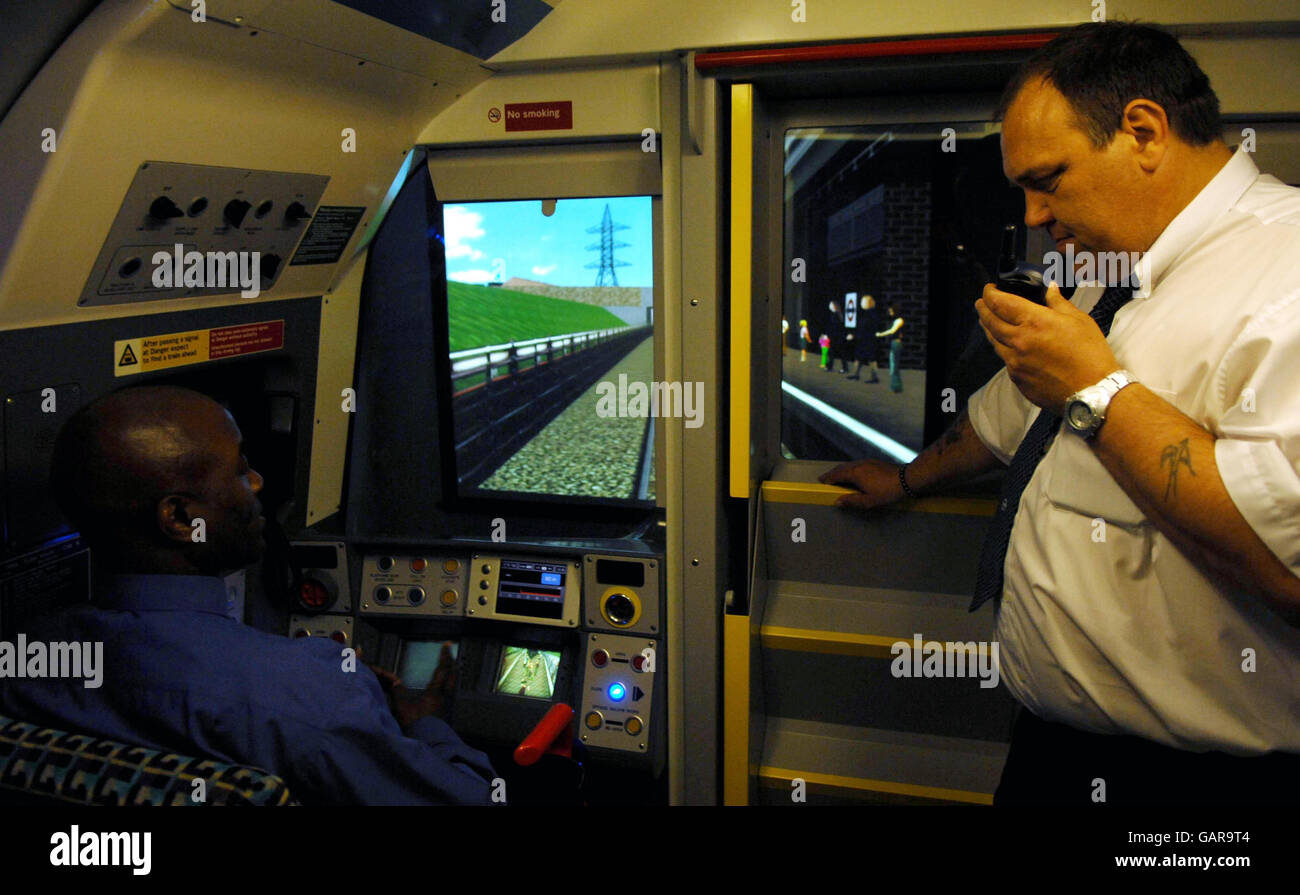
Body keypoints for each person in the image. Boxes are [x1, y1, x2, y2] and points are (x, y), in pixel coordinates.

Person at [821, 22, 1300, 804]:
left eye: (1047, 178)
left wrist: (1097, 389)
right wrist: (908, 480)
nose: (1035, 214)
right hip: (1052, 751)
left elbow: (1286, 565)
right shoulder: (1106, 277)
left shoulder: (1286, 273)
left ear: (1143, 131)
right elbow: (1009, 420)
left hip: (1202, 787)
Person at [0, 385, 497, 805]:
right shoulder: (308, 695)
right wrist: (425, 725)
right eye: (239, 471)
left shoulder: (25, 659)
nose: (257, 482)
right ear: (178, 518)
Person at [850, 293, 882, 382]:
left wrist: (855, 335)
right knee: (860, 357)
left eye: (862, 302)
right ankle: (856, 374)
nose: (861, 303)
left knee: (871, 359)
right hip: (865, 340)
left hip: (867, 340)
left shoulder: (870, 315)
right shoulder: (870, 314)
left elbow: (865, 328)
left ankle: (874, 377)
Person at [875, 303, 905, 392]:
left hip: (896, 343)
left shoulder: (899, 320)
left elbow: (892, 331)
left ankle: (896, 386)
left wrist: (880, 334)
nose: (890, 313)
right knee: (893, 365)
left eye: (891, 311)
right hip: (894, 343)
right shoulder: (897, 320)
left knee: (894, 366)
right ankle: (895, 386)